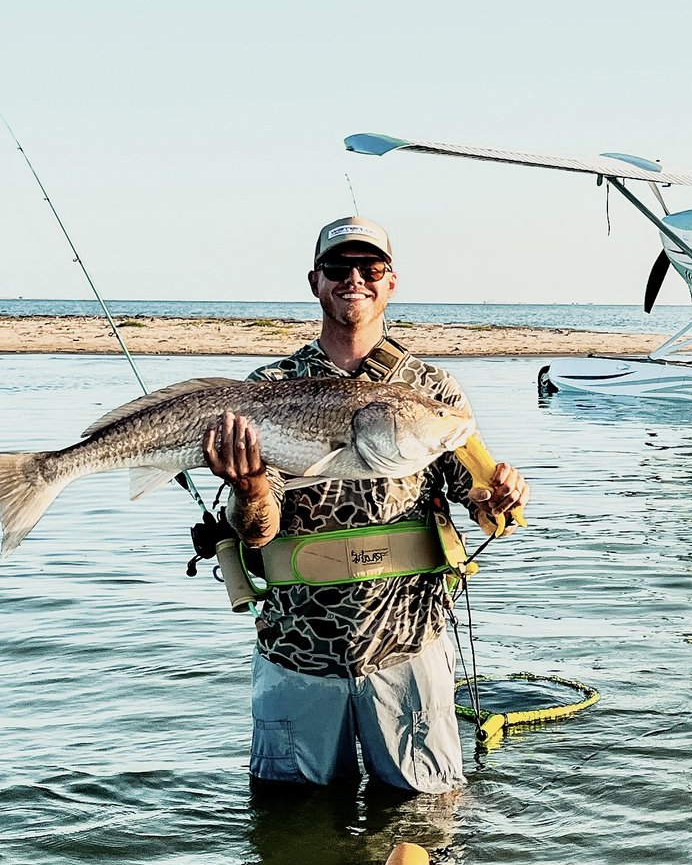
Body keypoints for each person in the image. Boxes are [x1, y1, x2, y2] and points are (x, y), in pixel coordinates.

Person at [201, 215, 528, 794]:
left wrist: (502, 497)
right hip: (296, 651)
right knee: (290, 826)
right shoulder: (269, 387)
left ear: (391, 281)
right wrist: (250, 489)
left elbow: (484, 505)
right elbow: (256, 532)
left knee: (424, 823)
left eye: (370, 267)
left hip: (409, 648)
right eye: (337, 267)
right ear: (315, 281)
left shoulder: (435, 393)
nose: (354, 278)